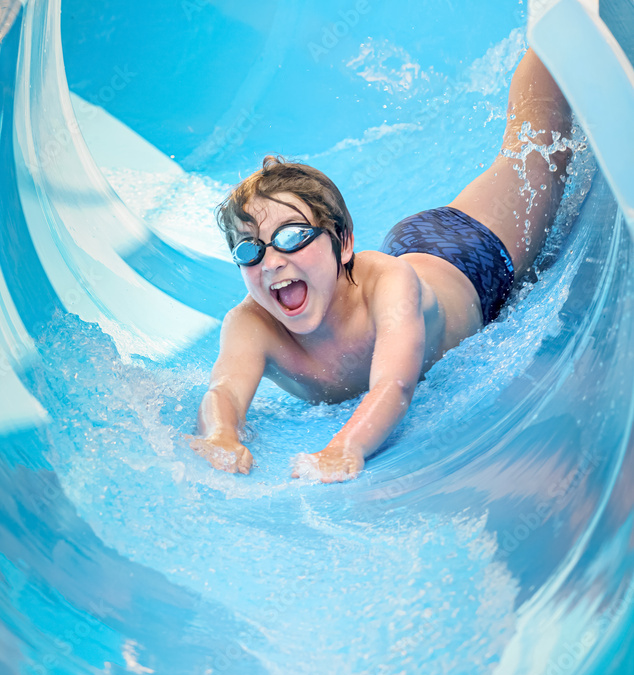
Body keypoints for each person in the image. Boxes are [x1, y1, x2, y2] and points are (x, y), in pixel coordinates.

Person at [187, 49, 572, 483]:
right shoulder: (251, 324)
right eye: (249, 250)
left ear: (344, 241)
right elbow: (223, 392)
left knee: (538, 151)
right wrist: (220, 434)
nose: (272, 261)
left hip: (468, 254)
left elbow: (393, 385)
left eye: (292, 237)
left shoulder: (390, 284)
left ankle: (553, 34)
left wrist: (344, 446)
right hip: (401, 256)